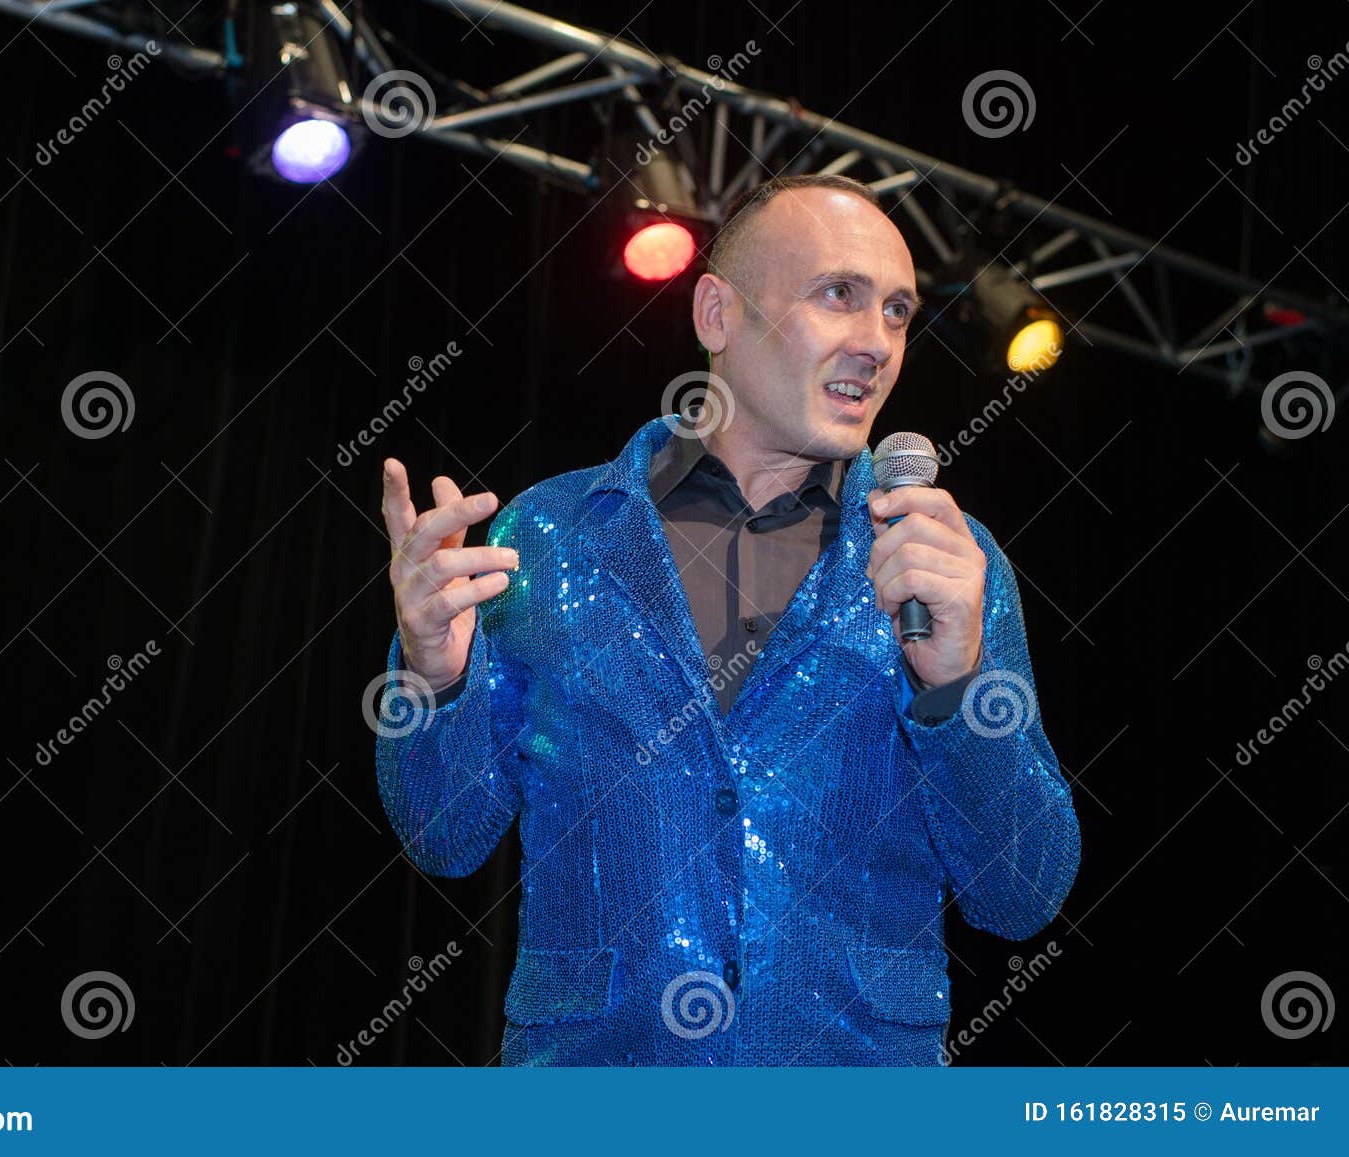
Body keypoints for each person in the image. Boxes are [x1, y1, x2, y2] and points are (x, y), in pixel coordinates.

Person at [374, 174, 1081, 1065]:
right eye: (839, 296)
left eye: (899, 312)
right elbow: (442, 834)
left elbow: (1022, 891)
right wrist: (431, 675)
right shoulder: (547, 536)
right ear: (717, 314)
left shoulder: (946, 559)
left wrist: (957, 689)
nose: (877, 344)